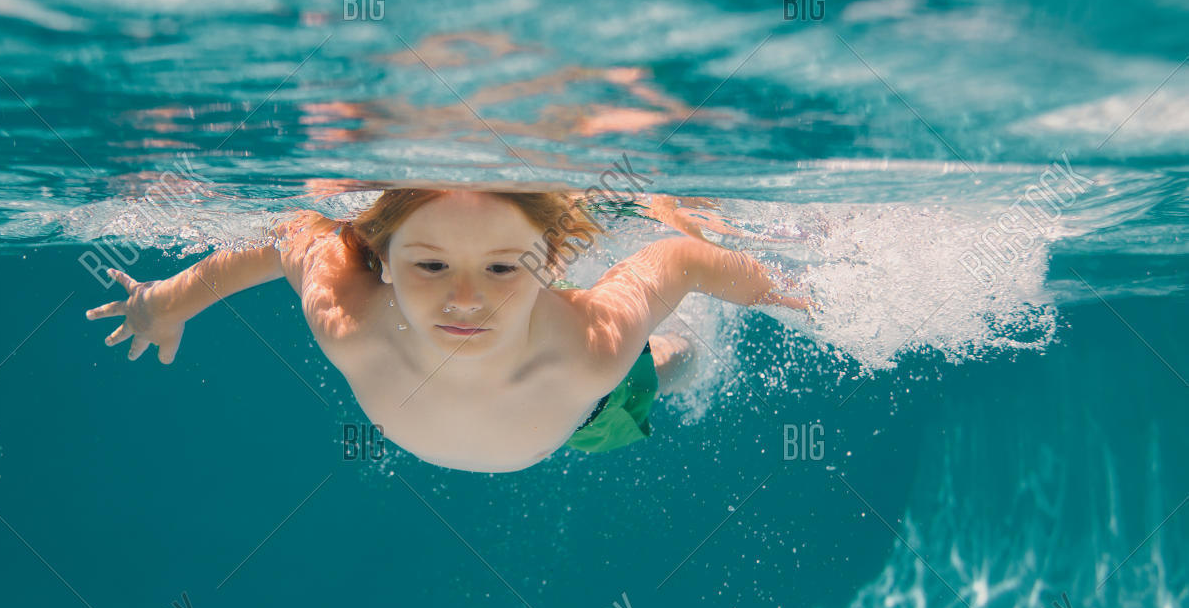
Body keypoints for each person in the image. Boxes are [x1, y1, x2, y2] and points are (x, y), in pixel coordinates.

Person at [86, 185, 807, 472]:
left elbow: (678, 260)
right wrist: (164, 302)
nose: (466, 301)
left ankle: (685, 352)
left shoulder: (588, 350)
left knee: (670, 363)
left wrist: (795, 295)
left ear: (551, 265)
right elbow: (286, 243)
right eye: (431, 266)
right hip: (556, 403)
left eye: (499, 270)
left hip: (581, 408)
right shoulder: (350, 319)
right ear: (386, 262)